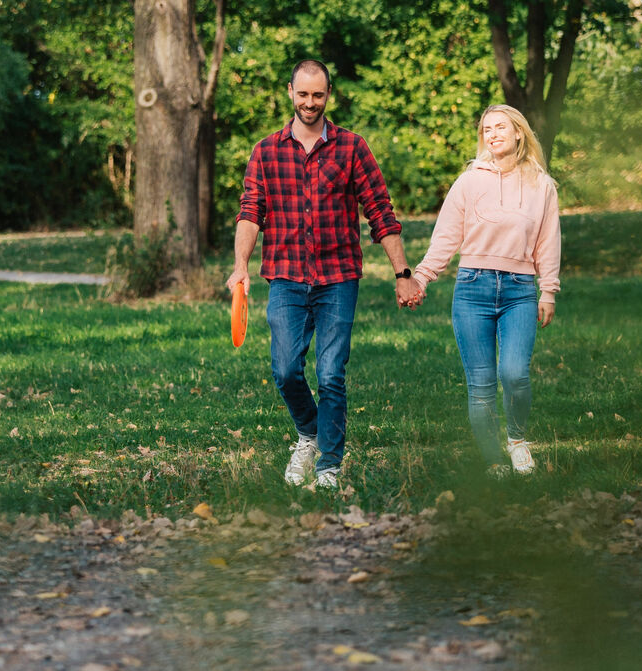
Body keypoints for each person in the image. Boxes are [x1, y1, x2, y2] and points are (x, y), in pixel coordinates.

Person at [227, 60, 421, 491]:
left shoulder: (352, 148)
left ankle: (328, 465)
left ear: (328, 94)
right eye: (303, 94)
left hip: (337, 278)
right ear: (290, 93)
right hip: (286, 277)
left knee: (331, 373)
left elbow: (380, 213)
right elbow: (250, 211)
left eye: (318, 95)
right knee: (285, 371)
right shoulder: (267, 150)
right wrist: (241, 265)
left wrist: (402, 273)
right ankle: (309, 434)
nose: (310, 103)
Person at [403, 104, 561, 475]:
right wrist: (421, 277)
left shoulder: (541, 185)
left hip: (519, 290)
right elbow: (446, 237)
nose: (492, 134)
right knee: (481, 385)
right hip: (472, 289)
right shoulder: (469, 181)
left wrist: (548, 290)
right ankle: (493, 459)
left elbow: (548, 241)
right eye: (486, 129)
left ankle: (517, 439)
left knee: (515, 374)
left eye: (500, 127)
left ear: (518, 132)